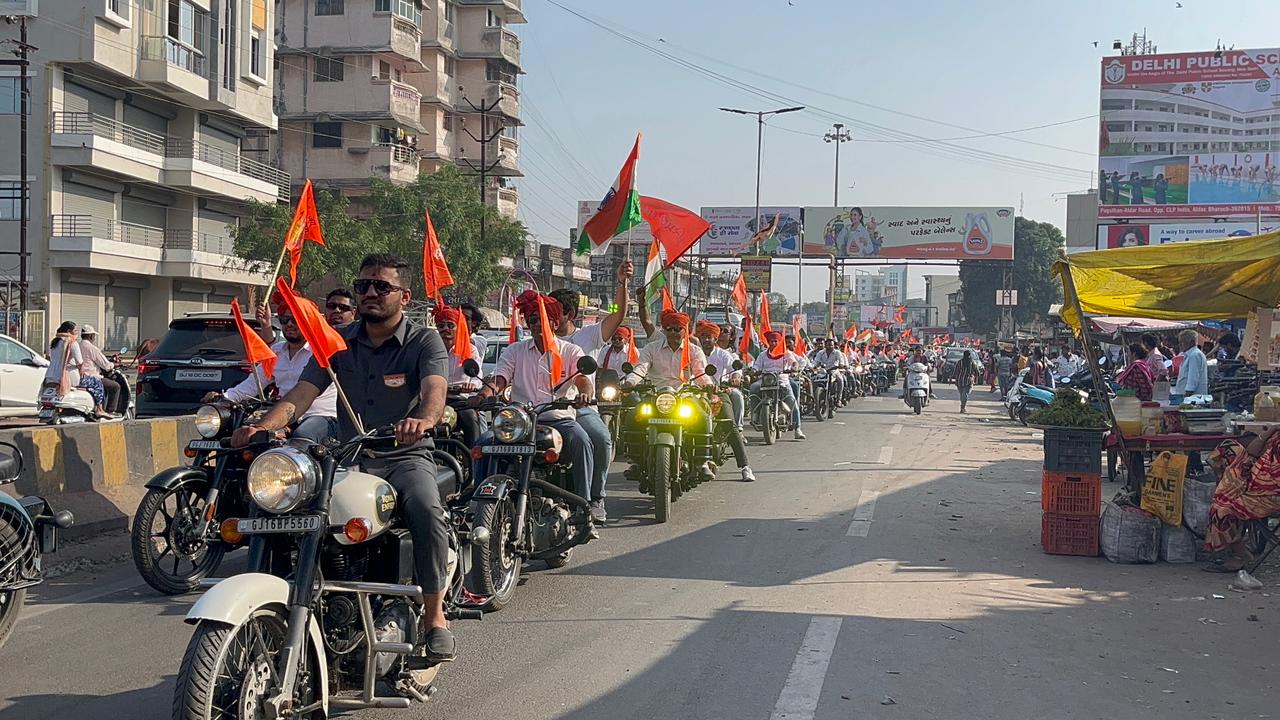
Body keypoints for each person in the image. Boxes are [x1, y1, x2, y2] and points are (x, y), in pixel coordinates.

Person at [231, 253, 456, 662]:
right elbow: (301, 395)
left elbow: (434, 391)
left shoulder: (425, 340)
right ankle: (271, 599)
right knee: (276, 502)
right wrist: (265, 426)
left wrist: (423, 420)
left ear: (404, 296)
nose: (370, 293)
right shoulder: (335, 343)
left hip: (403, 455)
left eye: (381, 286)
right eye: (364, 285)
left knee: (425, 507)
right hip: (346, 458)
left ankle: (434, 616)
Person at [473, 289, 595, 506]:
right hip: (519, 421)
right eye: (533, 320)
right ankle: (479, 501)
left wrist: (585, 393)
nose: (538, 325)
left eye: (544, 320)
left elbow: (582, 379)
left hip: (559, 419)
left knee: (582, 440)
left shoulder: (571, 351)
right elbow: (499, 379)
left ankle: (584, 505)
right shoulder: (515, 351)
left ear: (555, 323)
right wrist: (483, 394)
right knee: (483, 443)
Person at [548, 259, 633, 523]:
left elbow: (618, 315)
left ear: (570, 315)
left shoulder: (588, 336)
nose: (545, 319)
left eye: (554, 313)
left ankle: (596, 498)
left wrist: (622, 282)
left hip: (579, 408)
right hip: (541, 408)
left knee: (599, 438)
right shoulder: (539, 338)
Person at [204, 305, 340, 442]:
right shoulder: (275, 352)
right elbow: (253, 384)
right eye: (284, 319)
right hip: (284, 417)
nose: (290, 324)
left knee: (302, 435)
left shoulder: (322, 351)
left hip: (320, 416)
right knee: (245, 434)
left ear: (308, 321)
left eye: (296, 319)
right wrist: (224, 398)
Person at [686, 319, 755, 481]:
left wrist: (736, 377)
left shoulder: (722, 354)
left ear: (715, 339)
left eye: (709, 336)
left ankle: (745, 466)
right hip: (693, 394)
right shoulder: (692, 352)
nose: (706, 340)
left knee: (729, 423)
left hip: (717, 393)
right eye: (703, 336)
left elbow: (734, 369)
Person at [1203, 435, 1280, 572]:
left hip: (1270, 495)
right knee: (1228, 447)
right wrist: (1269, 432)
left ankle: (1242, 556)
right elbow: (1252, 452)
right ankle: (1223, 484)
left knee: (1222, 510)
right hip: (1258, 481)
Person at [431, 304, 485, 448]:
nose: (445, 329)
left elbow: (477, 373)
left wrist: (472, 384)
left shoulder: (470, 349)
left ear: (458, 327)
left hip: (462, 401)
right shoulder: (431, 349)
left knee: (471, 419)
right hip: (436, 400)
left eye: (450, 325)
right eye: (441, 326)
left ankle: (473, 461)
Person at [752, 331, 805, 440]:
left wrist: (794, 367)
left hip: (782, 380)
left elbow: (793, 362)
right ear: (768, 342)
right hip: (765, 380)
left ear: (779, 342)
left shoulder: (786, 353)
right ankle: (755, 415)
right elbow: (756, 366)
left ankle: (797, 429)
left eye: (776, 341)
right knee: (753, 388)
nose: (774, 343)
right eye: (771, 341)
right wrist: (753, 370)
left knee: (792, 400)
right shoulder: (762, 355)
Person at [79, 325, 120, 416]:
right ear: (90, 336)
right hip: (92, 376)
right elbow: (106, 365)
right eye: (94, 335)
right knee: (115, 386)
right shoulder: (92, 348)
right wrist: (116, 364)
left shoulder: (78, 346)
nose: (94, 338)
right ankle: (110, 411)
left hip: (79, 376)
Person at [1172, 329, 1208, 404]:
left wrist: (1186, 397)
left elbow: (1193, 378)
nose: (1180, 345)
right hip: (1188, 397)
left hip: (1193, 399)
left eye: (1182, 342)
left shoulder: (1194, 355)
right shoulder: (1188, 355)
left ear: (1191, 342)